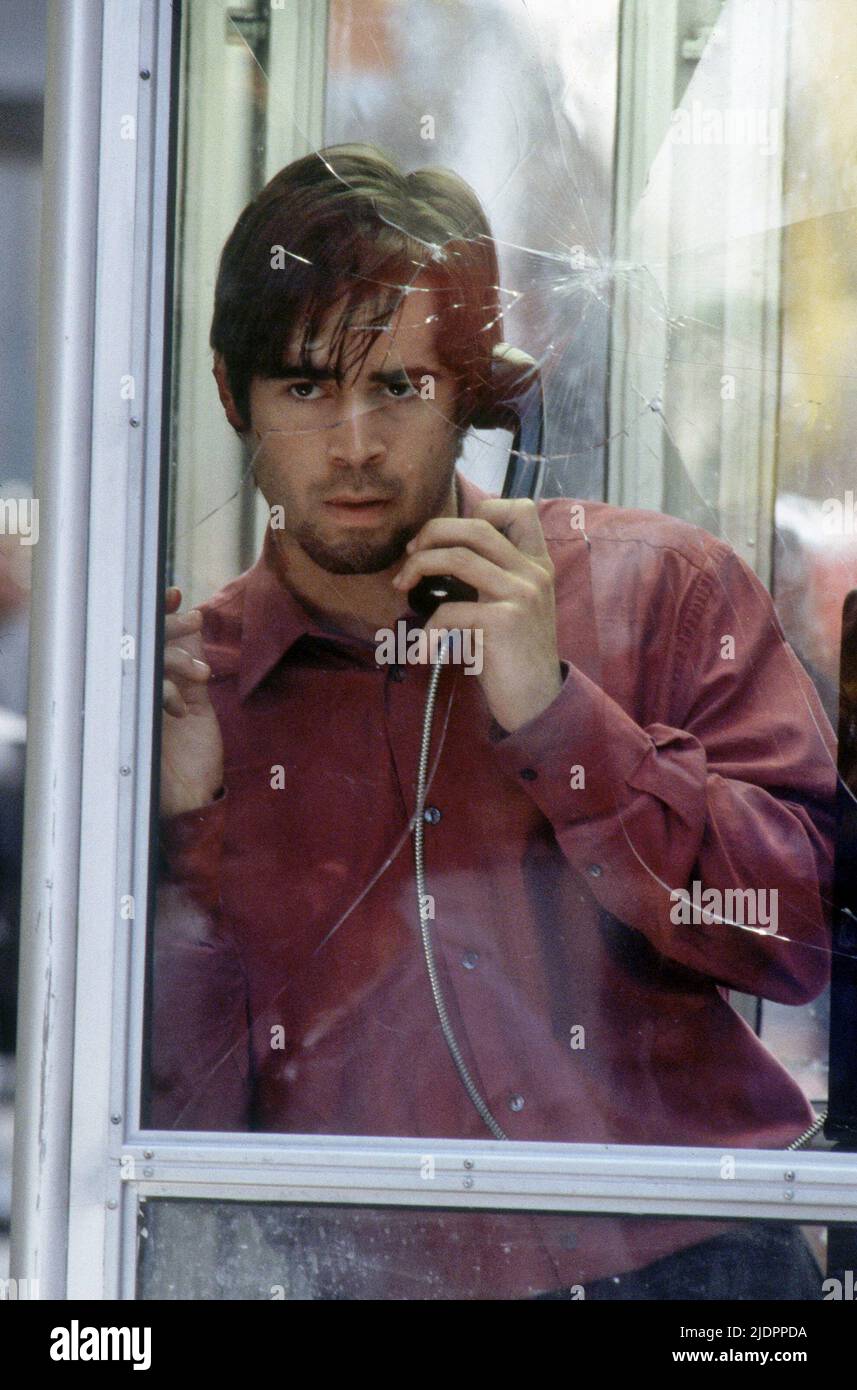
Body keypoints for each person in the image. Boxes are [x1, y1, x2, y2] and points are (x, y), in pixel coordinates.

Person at [151, 143, 836, 1299]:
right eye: (307, 387)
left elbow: (796, 932)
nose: (356, 445)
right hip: (374, 1274)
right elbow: (173, 1131)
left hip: (690, 1266)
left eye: (400, 387)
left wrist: (560, 715)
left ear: (471, 391)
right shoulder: (195, 696)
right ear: (234, 396)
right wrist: (190, 832)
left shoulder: (656, 590)